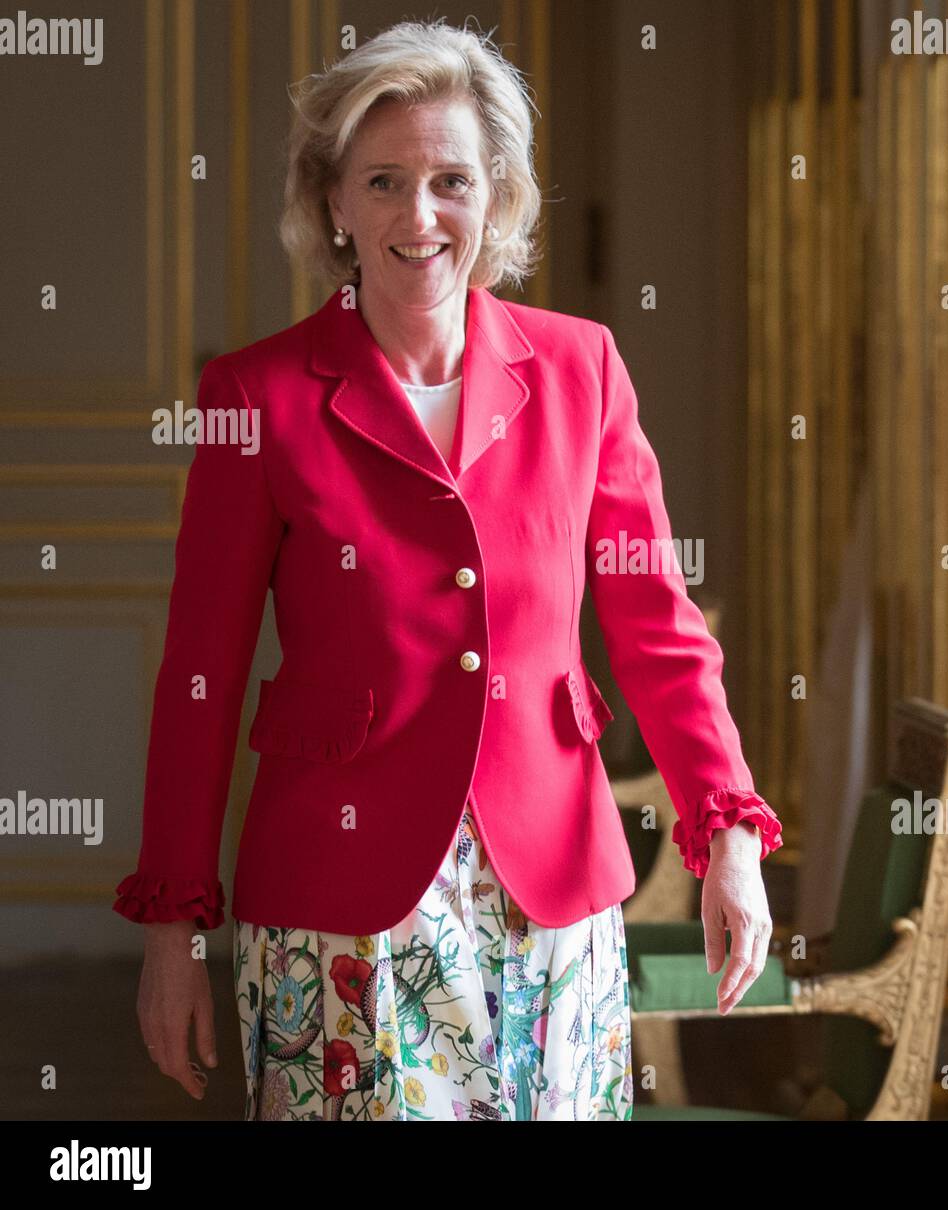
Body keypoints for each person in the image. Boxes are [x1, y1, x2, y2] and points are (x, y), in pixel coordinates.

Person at [112, 17, 783, 1121]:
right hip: (337, 912)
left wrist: (728, 838)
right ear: (332, 201)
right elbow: (199, 676)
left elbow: (658, 629)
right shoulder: (256, 395)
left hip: (552, 898)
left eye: (450, 181)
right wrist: (173, 929)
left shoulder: (583, 369)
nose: (418, 216)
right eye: (383, 181)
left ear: (498, 196)